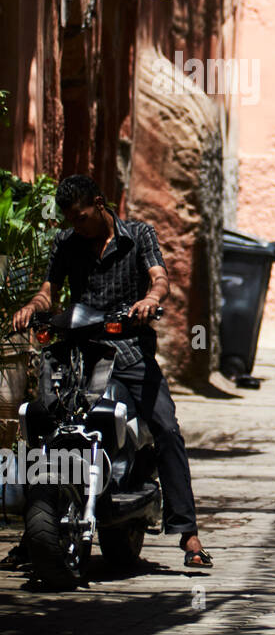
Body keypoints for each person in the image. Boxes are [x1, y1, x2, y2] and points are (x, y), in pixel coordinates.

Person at [10, 175, 212, 569]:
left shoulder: (137, 235)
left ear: (100, 204)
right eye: (70, 219)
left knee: (167, 428)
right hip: (77, 351)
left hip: (129, 350)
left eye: (81, 217)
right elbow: (48, 290)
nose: (76, 226)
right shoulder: (66, 242)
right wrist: (33, 307)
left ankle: (188, 534)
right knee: (42, 420)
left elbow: (159, 277)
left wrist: (151, 299)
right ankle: (33, 531)